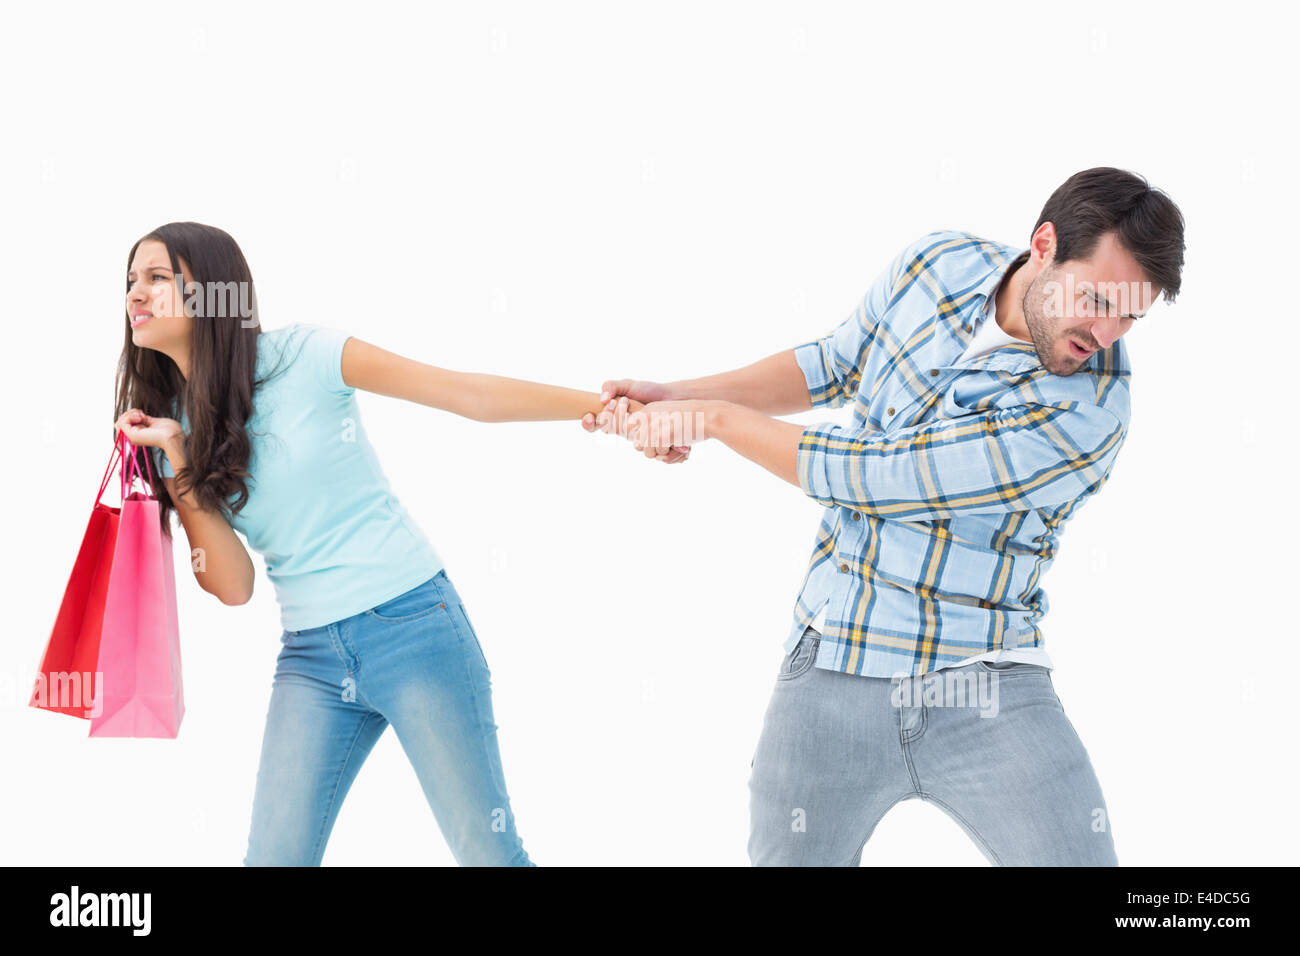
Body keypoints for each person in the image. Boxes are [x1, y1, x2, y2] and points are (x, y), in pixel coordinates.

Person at [586, 166, 1186, 866]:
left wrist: (712, 420)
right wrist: (678, 393)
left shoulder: (1089, 411)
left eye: (1130, 316)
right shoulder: (938, 263)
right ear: (1044, 245)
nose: (1106, 332)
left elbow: (880, 475)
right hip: (832, 661)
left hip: (983, 683)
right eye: (1097, 299)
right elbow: (833, 363)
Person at [113, 220, 656, 866]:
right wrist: (175, 456)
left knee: (489, 854)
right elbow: (233, 586)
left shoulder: (305, 356)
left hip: (413, 626)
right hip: (312, 659)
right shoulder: (175, 423)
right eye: (129, 283)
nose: (135, 295)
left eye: (155, 277)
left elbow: (464, 393)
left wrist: (606, 410)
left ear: (211, 291)